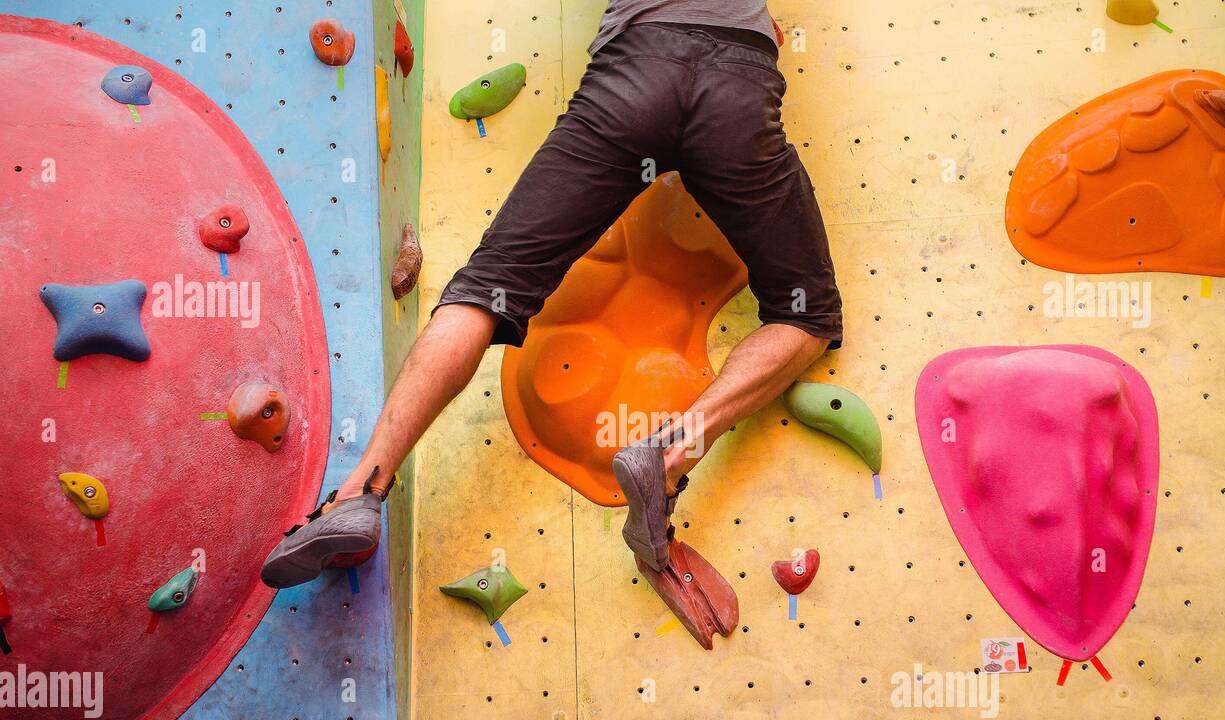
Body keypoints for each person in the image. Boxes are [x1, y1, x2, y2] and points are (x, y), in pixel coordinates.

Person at [261, 0, 843, 589]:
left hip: (635, 72)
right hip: (737, 84)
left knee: (485, 291)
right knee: (806, 316)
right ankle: (670, 454)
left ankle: (359, 491)